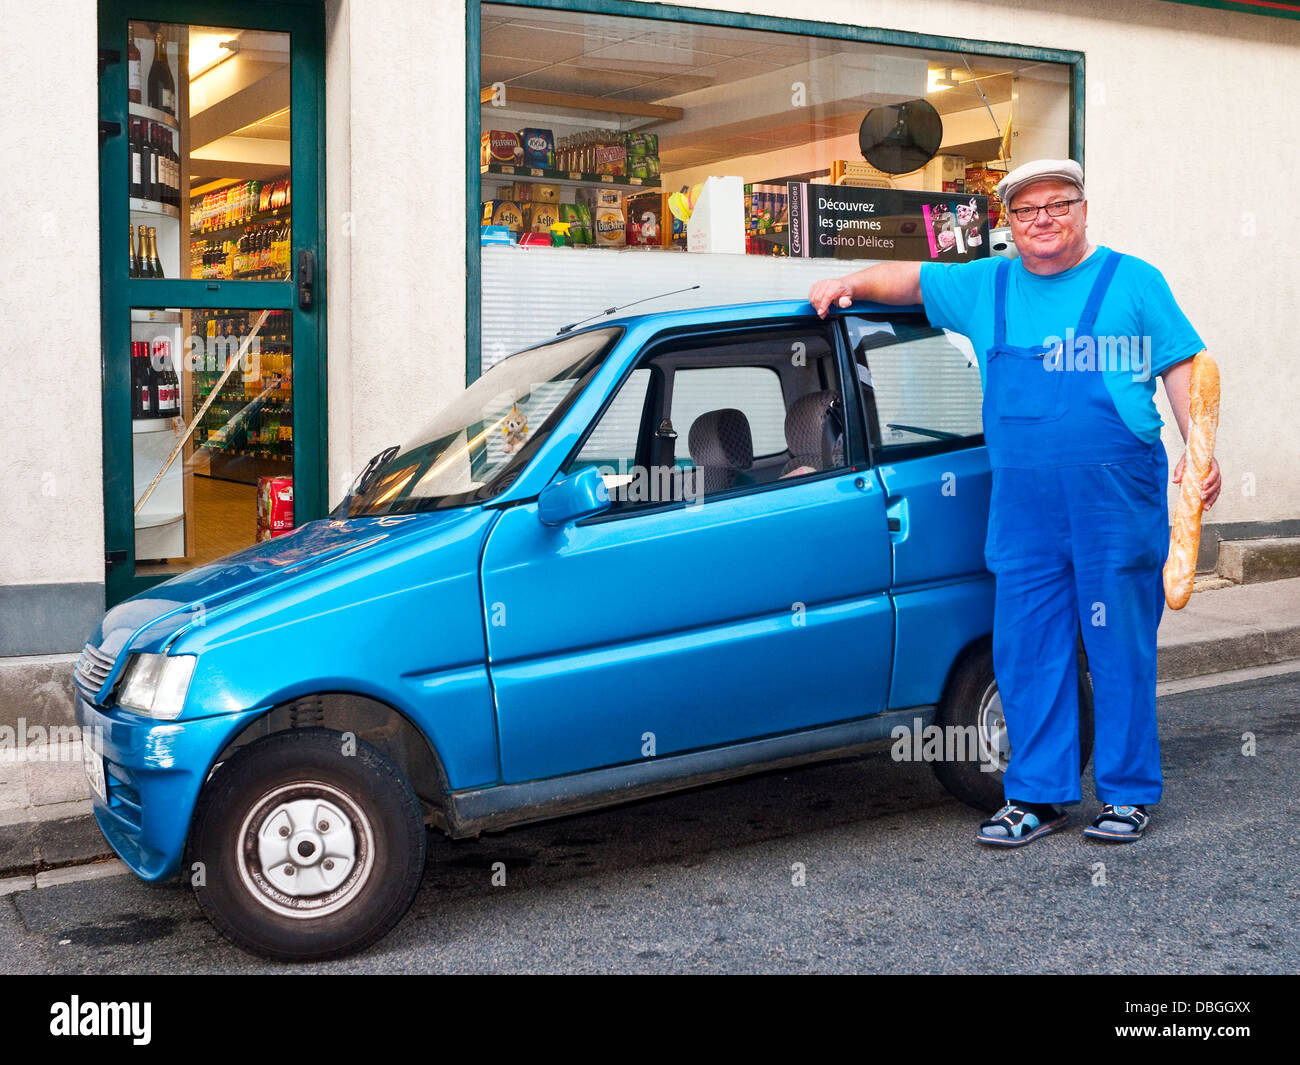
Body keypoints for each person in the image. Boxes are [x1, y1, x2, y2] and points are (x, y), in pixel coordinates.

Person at [808, 158, 1221, 846]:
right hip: (1025, 505)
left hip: (1116, 498)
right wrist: (847, 282)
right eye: (1027, 211)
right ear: (1010, 223)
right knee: (1028, 648)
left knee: (1118, 647)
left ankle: (1126, 793)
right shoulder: (988, 283)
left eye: (1058, 205)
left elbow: (1183, 367)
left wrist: (1198, 453)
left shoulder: (1133, 283)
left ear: (1083, 208)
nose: (1043, 221)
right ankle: (1036, 795)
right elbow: (910, 278)